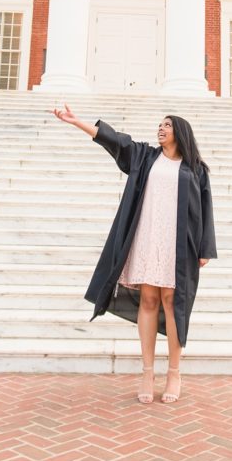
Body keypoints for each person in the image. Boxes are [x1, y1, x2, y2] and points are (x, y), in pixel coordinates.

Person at [54, 105, 217, 405]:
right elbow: (116, 141)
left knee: (172, 302)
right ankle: (146, 373)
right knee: (150, 300)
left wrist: (206, 248)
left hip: (179, 243)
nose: (161, 128)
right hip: (148, 238)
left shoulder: (196, 169)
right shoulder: (145, 157)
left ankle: (174, 373)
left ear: (180, 132)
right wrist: (78, 122)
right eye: (160, 124)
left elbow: (206, 210)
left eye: (167, 125)